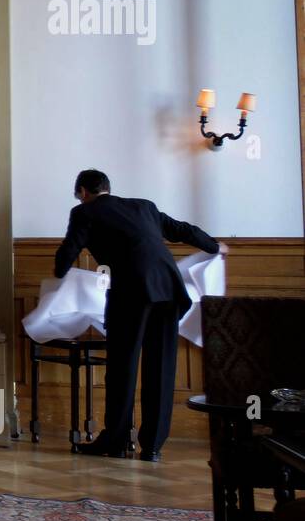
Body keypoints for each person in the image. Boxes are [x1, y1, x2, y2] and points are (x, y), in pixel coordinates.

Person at [53, 169, 226, 461]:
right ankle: (153, 446)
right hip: (168, 290)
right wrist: (215, 246)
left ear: (83, 192)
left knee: (123, 366)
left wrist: (59, 270)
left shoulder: (85, 212)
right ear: (108, 188)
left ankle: (116, 441)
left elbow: (70, 248)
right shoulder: (144, 206)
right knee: (161, 366)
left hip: (131, 291)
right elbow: (182, 229)